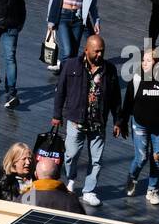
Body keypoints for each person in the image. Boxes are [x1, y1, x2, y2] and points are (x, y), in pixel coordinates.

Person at [51, 34, 121, 208]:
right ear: (86, 50)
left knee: (96, 159)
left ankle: (89, 191)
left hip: (98, 123)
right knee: (71, 154)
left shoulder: (109, 69)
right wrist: (57, 115)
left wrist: (118, 121)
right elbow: (61, 92)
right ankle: (71, 180)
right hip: (76, 120)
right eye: (96, 51)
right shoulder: (71, 65)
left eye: (102, 51)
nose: (99, 55)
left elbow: (116, 97)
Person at [120, 48, 159, 206]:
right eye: (143, 60)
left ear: (156, 63)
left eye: (148, 60)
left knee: (157, 157)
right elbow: (127, 103)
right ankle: (132, 177)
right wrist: (122, 123)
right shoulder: (136, 79)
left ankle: (152, 189)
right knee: (141, 158)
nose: (144, 63)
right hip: (139, 124)